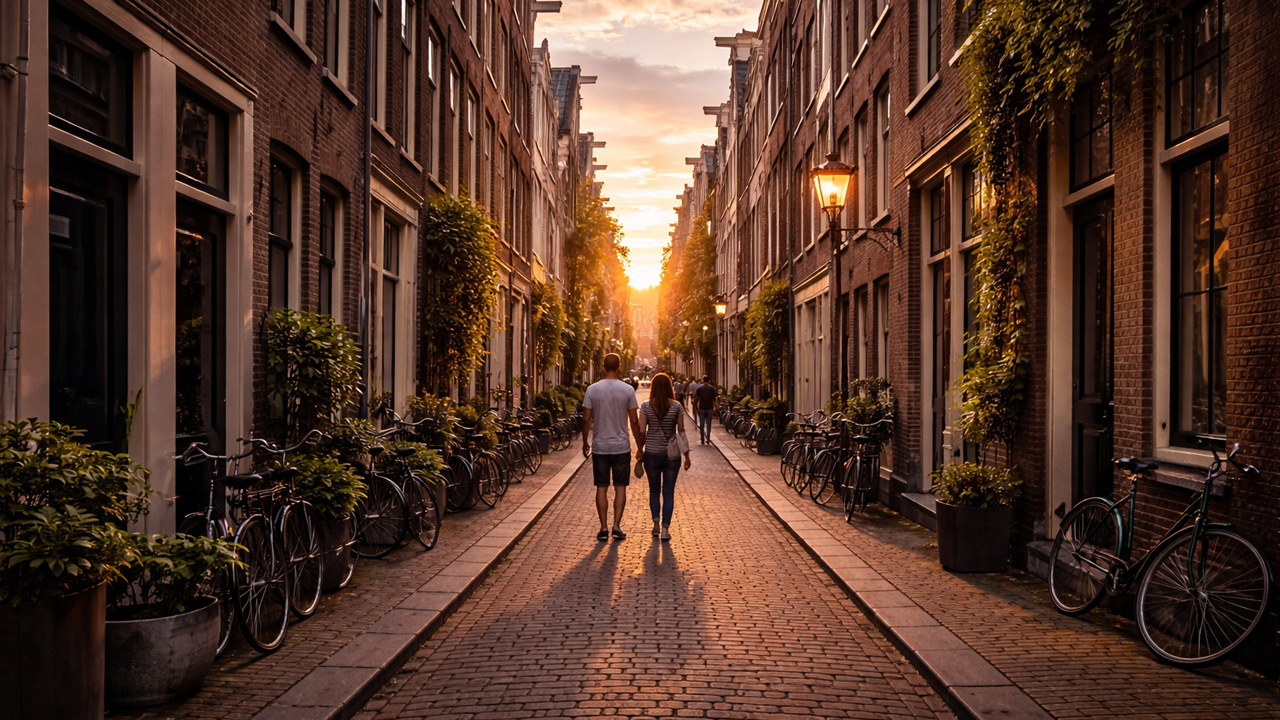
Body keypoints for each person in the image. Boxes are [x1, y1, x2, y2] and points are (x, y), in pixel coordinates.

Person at [582, 353, 642, 541]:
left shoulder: (592, 390)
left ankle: (603, 527)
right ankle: (616, 525)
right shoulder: (628, 390)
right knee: (620, 487)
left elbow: (586, 419)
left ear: (602, 366)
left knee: (601, 487)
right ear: (619, 367)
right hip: (621, 446)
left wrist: (585, 441)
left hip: (600, 446)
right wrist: (640, 445)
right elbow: (633, 420)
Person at [637, 373, 691, 541]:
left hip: (652, 453)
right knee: (668, 492)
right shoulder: (677, 407)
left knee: (654, 490)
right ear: (670, 387)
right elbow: (681, 432)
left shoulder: (645, 406)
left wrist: (640, 449)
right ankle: (665, 529)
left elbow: (641, 431)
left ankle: (655, 523)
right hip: (672, 455)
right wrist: (687, 455)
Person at [693, 375, 718, 444]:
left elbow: (696, 399)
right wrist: (716, 407)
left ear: (703, 381)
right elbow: (714, 399)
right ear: (708, 381)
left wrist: (695, 408)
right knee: (708, 424)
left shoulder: (699, 388)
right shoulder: (712, 389)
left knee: (702, 424)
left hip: (702, 408)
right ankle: (708, 438)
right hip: (710, 408)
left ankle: (702, 438)